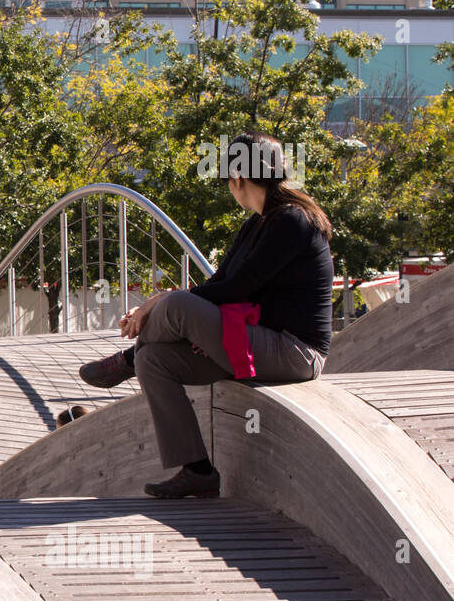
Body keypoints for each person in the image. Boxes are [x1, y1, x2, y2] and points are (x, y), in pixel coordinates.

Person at [77, 133, 333, 499]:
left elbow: (237, 288)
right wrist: (158, 306)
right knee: (155, 360)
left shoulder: (293, 221)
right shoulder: (256, 224)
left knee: (179, 304)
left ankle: (126, 360)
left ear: (238, 179)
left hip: (294, 352)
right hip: (253, 343)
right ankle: (197, 471)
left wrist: (161, 304)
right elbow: (218, 283)